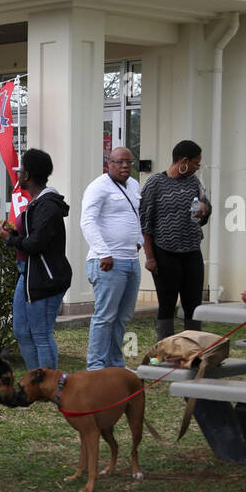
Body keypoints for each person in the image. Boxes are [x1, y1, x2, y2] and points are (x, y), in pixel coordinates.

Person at [0, 148, 72, 369]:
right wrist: (14, 235)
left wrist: (10, 239)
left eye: (21, 170)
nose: (18, 174)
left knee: (41, 333)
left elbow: (36, 243)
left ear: (27, 176)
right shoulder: (37, 202)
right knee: (22, 330)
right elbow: (32, 236)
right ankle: (34, 380)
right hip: (28, 274)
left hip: (44, 277)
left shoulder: (47, 205)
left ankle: (48, 383)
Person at [140, 140, 212, 340]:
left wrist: (205, 210)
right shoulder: (155, 183)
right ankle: (166, 349)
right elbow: (145, 223)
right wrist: (150, 257)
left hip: (191, 251)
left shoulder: (194, 182)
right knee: (167, 304)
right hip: (164, 253)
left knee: (194, 305)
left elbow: (206, 206)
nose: (198, 167)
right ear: (184, 161)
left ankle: (194, 347)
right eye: (196, 163)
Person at [80, 146, 143, 370]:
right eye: (119, 162)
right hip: (108, 262)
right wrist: (103, 252)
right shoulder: (98, 187)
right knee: (105, 317)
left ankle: (115, 364)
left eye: (129, 162)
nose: (125, 166)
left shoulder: (134, 185)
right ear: (109, 163)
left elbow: (137, 216)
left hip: (131, 261)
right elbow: (87, 221)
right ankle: (96, 366)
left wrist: (140, 242)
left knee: (122, 318)